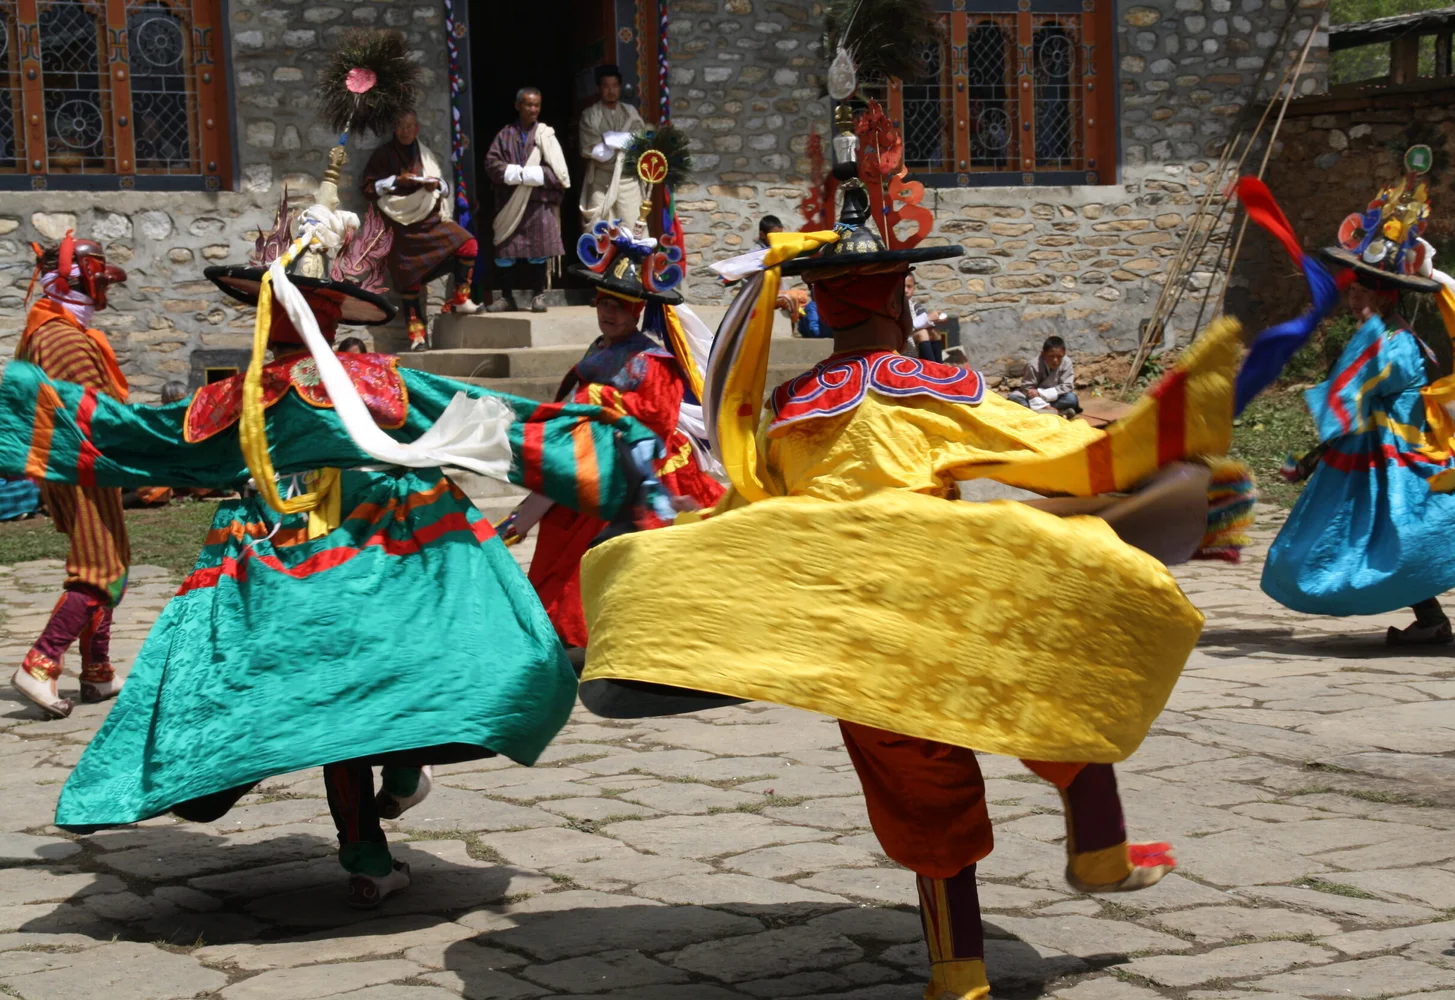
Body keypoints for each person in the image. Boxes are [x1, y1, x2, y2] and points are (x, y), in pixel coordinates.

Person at [577, 190, 1261, 998]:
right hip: (944, 592)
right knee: (1052, 686)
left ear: (825, 313)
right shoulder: (927, 382)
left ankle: (959, 977)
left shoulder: (787, 410)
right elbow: (1055, 450)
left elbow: (755, 510)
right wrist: (1170, 455)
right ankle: (1101, 850)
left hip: (856, 624)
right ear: (902, 297)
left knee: (919, 783)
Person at [0, 206, 675, 908]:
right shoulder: (368, 384)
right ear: (328, 316)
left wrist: (31, 407)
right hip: (376, 564)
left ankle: (342, 814)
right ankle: (365, 816)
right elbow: (479, 420)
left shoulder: (237, 400)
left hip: (278, 569)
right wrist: (606, 451)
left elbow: (145, 438)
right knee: (369, 689)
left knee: (333, 701)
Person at [1262, 152, 1455, 645]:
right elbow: (1354, 406)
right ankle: (1431, 620)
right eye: (1354, 290)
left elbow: (1349, 399)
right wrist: (1312, 458)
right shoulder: (1384, 338)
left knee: (1409, 533)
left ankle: (1431, 620)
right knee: (1389, 535)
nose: (1353, 299)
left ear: (1386, 296)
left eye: (1362, 291)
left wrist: (1313, 452)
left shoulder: (1389, 342)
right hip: (1380, 451)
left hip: (1409, 452)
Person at [508, 223, 724, 651]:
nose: (610, 315)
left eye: (620, 308)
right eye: (605, 304)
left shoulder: (652, 360)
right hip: (585, 455)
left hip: (636, 463)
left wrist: (600, 399)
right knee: (560, 526)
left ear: (637, 312)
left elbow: (659, 420)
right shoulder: (597, 349)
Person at [9, 234, 131, 718]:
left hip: (83, 466)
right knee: (100, 567)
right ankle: (39, 663)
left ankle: (97, 671)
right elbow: (90, 411)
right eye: (100, 278)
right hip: (77, 465)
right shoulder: (59, 335)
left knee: (110, 556)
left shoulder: (62, 327)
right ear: (79, 277)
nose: (105, 289)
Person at [361, 110, 479, 351]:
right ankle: (417, 337)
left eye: (410, 126)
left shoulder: (426, 155)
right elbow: (368, 188)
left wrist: (437, 184)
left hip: (431, 220)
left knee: (468, 245)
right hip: (400, 225)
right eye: (401, 126)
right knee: (409, 281)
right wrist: (396, 181)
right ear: (395, 128)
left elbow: (445, 187)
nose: (405, 131)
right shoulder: (383, 155)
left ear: (417, 128)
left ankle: (460, 298)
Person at [486, 87, 570, 314]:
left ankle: (538, 295)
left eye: (536, 105)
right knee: (505, 251)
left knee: (539, 250)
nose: (532, 109)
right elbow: (492, 165)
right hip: (510, 204)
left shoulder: (546, 136)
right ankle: (506, 297)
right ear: (518, 106)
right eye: (528, 104)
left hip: (537, 203)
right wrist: (516, 173)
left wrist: (536, 175)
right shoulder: (505, 135)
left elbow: (560, 173)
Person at [579, 64, 645, 230]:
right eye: (606, 86)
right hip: (601, 180)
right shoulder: (590, 115)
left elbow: (640, 141)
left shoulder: (631, 112)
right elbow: (596, 151)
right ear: (598, 88)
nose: (611, 90)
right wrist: (624, 142)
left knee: (633, 228)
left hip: (628, 179)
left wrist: (609, 139)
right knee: (600, 231)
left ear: (620, 87)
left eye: (615, 86)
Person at [130, 382, 192, 508]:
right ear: (164, 402)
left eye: (181, 400)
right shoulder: (157, 421)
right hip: (163, 469)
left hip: (189, 468)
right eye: (172, 402)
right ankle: (124, 501)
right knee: (157, 490)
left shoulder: (193, 418)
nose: (177, 406)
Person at [1008, 335, 1079, 418]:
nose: (1055, 360)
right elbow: (1028, 389)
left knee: (1071, 399)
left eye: (1059, 357)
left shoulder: (1066, 362)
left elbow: (1067, 386)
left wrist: (1041, 393)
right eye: (1051, 356)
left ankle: (1043, 412)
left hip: (1053, 397)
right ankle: (1057, 413)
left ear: (1064, 354)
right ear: (1043, 354)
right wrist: (1043, 403)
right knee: (1014, 397)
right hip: (1034, 399)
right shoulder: (1033, 365)